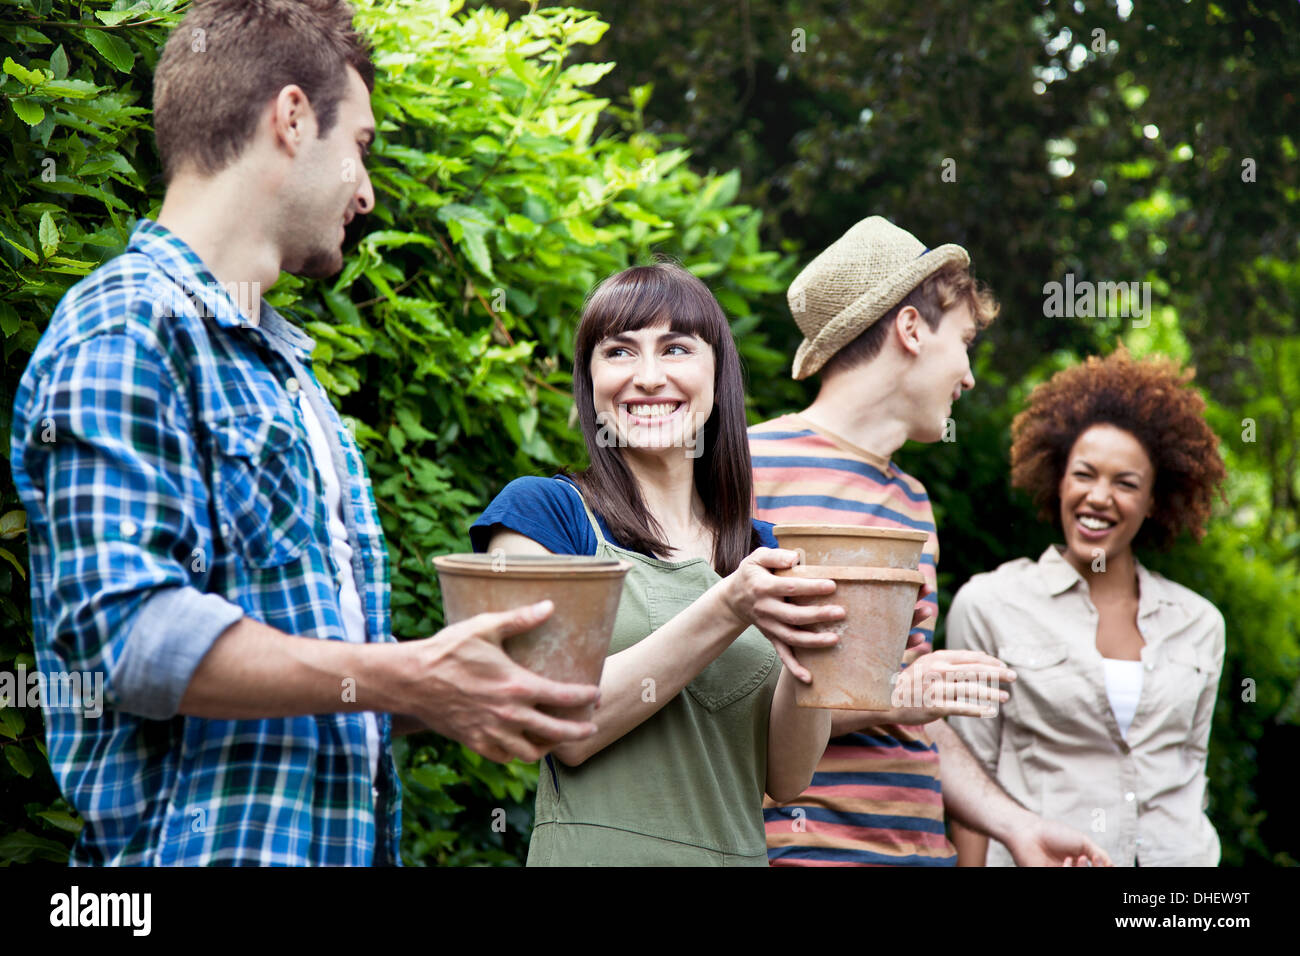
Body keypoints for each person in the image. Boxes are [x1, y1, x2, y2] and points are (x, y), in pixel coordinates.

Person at [8, 0, 598, 867]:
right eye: (359, 147)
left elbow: (303, 659)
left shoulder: (281, 368)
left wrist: (444, 683)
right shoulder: (125, 326)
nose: (365, 193)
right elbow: (126, 637)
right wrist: (408, 677)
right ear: (291, 117)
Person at [472, 261, 859, 866]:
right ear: (590, 380)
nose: (648, 378)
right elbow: (557, 723)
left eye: (676, 348)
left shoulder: (763, 551)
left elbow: (786, 778)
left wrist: (819, 650)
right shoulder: (545, 515)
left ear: (717, 374)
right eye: (619, 352)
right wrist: (729, 607)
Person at [752, 216, 1111, 866]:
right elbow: (722, 699)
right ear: (912, 329)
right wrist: (898, 692)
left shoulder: (912, 502)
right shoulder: (748, 468)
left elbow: (915, 708)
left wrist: (1016, 826)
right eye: (966, 341)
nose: (969, 376)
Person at [946, 346, 1227, 866]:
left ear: (1154, 503)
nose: (1100, 497)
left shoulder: (1200, 625)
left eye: (1126, 484)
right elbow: (970, 774)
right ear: (1057, 480)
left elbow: (1192, 767)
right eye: (1084, 474)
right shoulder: (989, 605)